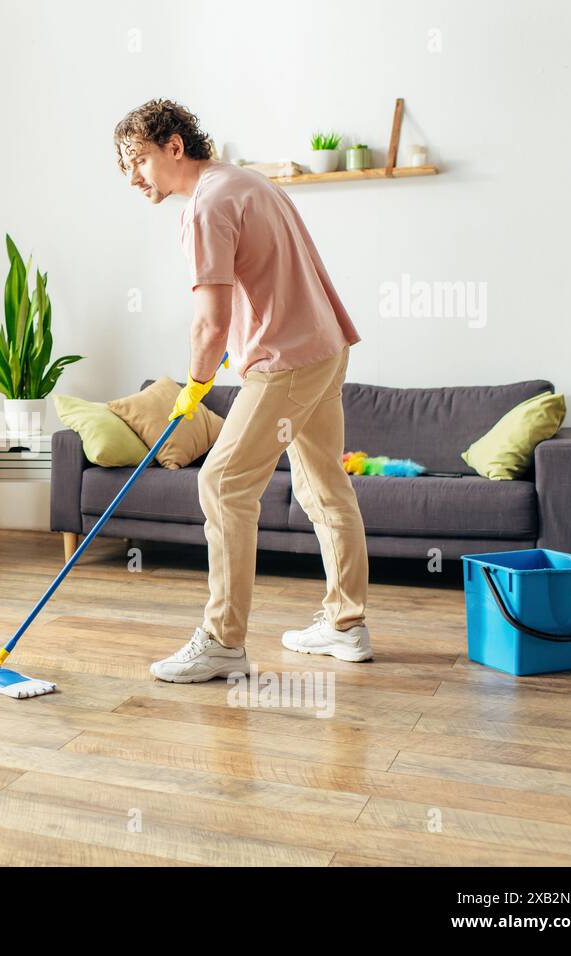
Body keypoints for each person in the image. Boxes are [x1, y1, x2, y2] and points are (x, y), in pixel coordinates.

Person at [113, 98, 372, 683]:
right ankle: (345, 623)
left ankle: (222, 641)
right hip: (327, 348)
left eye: (139, 161)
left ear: (173, 146)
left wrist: (197, 383)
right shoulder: (246, 181)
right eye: (124, 167)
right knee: (324, 483)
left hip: (285, 362)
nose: (133, 178)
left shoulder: (205, 207)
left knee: (222, 482)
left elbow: (211, 321)